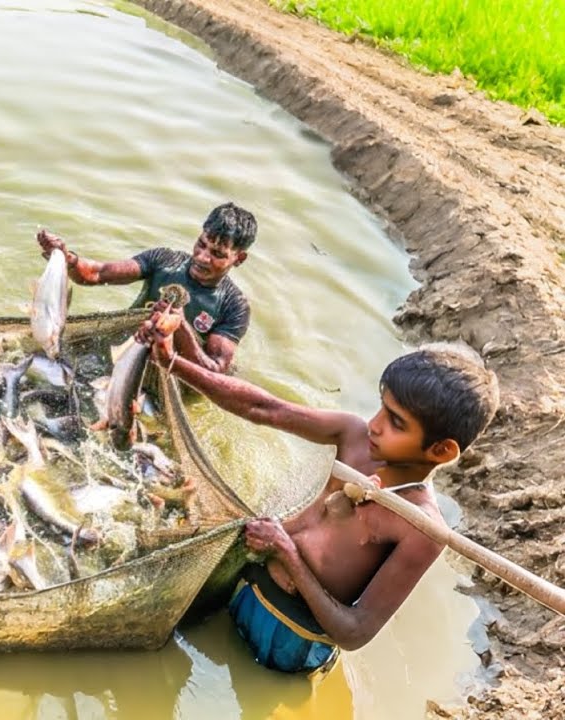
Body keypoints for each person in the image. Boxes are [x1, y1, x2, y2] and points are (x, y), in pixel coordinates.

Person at [142, 328, 499, 674]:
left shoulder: (421, 527)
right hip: (245, 585)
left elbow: (354, 632)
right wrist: (174, 364)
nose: (374, 425)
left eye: (396, 422)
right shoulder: (354, 436)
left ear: (441, 450)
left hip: (290, 643)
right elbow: (264, 408)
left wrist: (287, 553)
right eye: (381, 408)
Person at [37, 202, 257, 372]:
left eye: (217, 254)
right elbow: (97, 273)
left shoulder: (234, 306)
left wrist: (178, 326)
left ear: (239, 258)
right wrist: (68, 258)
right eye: (201, 244)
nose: (202, 257)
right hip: (122, 349)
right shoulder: (165, 260)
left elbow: (214, 371)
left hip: (168, 373)